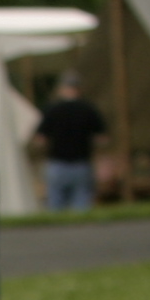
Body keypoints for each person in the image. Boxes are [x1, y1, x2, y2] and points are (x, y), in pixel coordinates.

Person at [32, 71, 106, 213]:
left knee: (55, 207)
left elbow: (40, 139)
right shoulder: (88, 109)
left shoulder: (52, 109)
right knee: (81, 206)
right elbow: (101, 139)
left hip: (57, 163)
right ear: (79, 89)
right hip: (81, 163)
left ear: (62, 89)